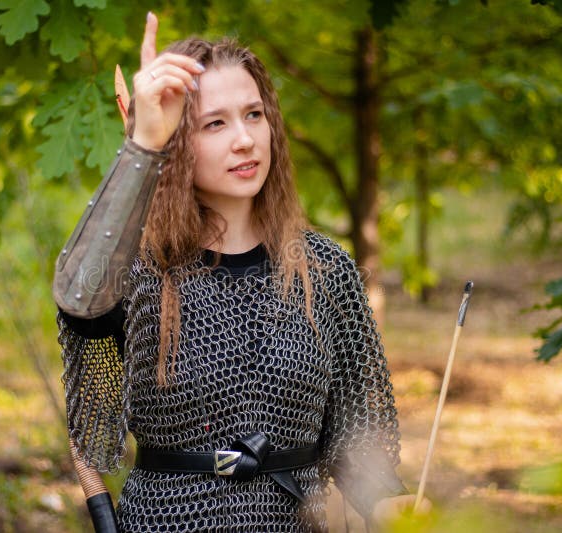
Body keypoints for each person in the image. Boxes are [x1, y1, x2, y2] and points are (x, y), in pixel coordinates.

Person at [54, 12, 425, 532]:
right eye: (215, 123)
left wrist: (390, 502)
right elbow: (78, 296)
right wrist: (143, 145)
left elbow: (354, 441)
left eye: (254, 115)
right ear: (180, 142)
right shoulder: (138, 271)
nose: (245, 139)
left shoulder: (326, 272)